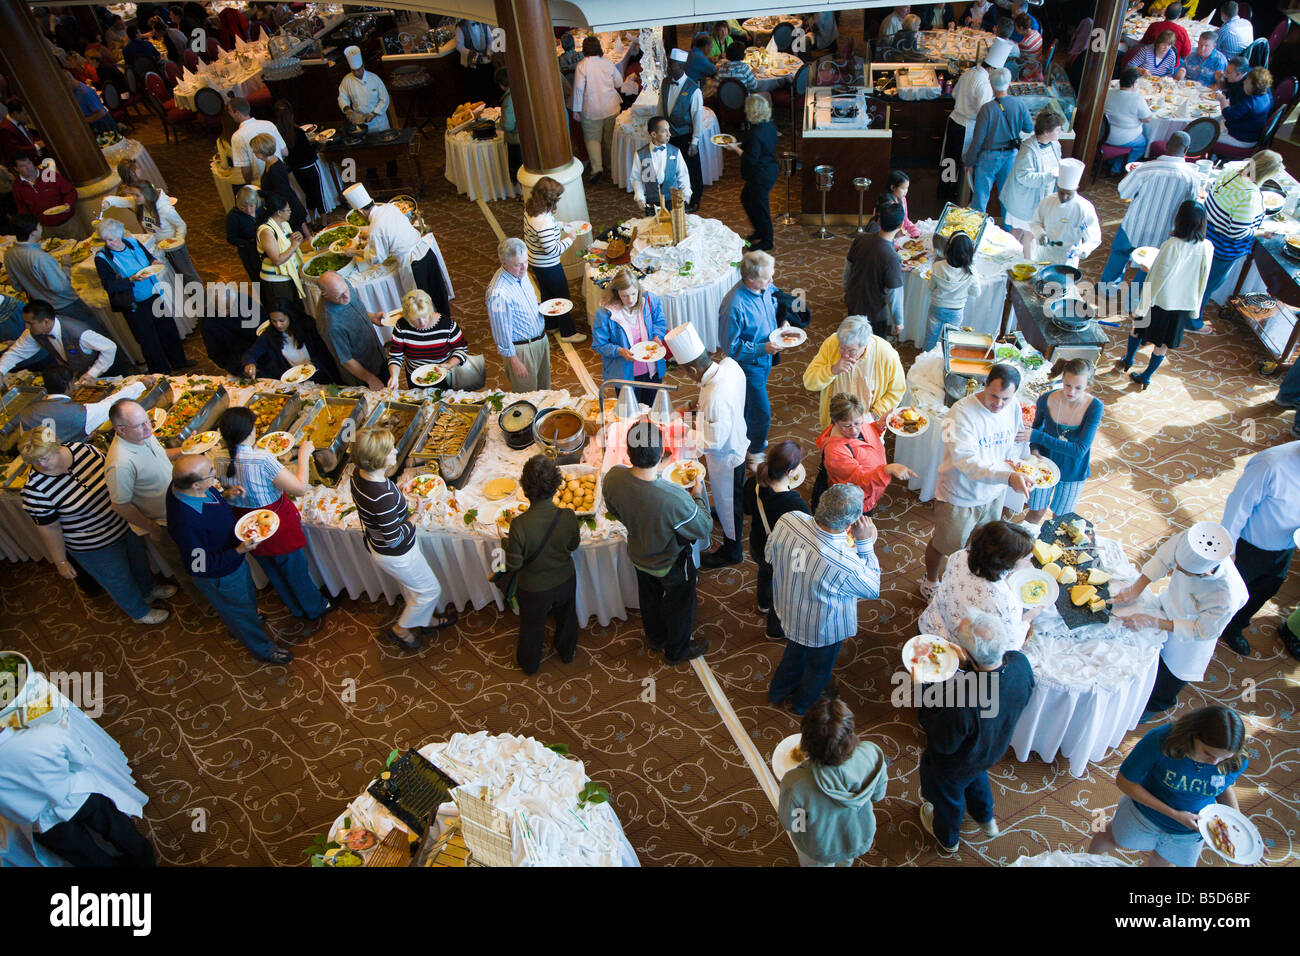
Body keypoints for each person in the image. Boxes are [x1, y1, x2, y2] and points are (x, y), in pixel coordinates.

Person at [20, 431, 171, 625]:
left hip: (123, 524)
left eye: (45, 456)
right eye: (34, 460)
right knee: (117, 579)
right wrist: (61, 562)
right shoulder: (34, 490)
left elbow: (113, 474)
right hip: (92, 544)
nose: (41, 464)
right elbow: (49, 529)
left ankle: (148, 590)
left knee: (139, 561)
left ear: (55, 446)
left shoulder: (84, 451)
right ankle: (139, 612)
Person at [916, 611, 1035, 853]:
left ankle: (948, 839)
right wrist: (970, 664)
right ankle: (985, 818)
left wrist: (921, 686)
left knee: (948, 799)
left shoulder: (962, 701)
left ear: (969, 654)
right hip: (993, 748)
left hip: (954, 763)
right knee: (977, 778)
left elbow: (941, 742)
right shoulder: (1020, 664)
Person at [602, 420, 713, 664]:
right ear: (662, 453)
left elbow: (613, 509)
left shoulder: (613, 477)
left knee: (649, 597)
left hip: (638, 553)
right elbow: (703, 526)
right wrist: (698, 497)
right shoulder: (674, 497)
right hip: (669, 560)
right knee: (681, 602)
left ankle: (655, 639)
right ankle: (678, 650)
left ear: (629, 453)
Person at [1111, 522, 1248, 718]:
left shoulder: (1227, 595)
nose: (1176, 569)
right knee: (1143, 665)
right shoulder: (1192, 539)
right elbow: (1163, 558)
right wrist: (1135, 590)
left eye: (1182, 570)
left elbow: (1202, 631)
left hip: (1189, 643)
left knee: (1162, 685)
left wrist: (1152, 622)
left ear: (1205, 573)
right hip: (1167, 606)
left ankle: (1140, 714)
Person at [212, 406, 333, 627]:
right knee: (295, 570)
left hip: (246, 525)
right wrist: (304, 455)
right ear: (250, 432)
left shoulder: (219, 459)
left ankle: (296, 608)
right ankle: (314, 607)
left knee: (272, 571)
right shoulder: (261, 458)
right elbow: (298, 488)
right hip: (274, 523)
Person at [166, 454, 292, 664]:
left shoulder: (188, 486)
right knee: (238, 611)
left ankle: (245, 623)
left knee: (246, 599)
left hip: (231, 559)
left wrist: (226, 495)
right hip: (220, 574)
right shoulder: (185, 522)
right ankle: (262, 648)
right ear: (196, 484)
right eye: (211, 474)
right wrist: (239, 551)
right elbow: (199, 565)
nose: (215, 476)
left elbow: (210, 502)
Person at [766, 483, 881, 713]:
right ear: (849, 525)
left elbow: (770, 554)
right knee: (819, 669)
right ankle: (802, 704)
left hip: (788, 608)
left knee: (794, 652)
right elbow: (872, 588)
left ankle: (778, 691)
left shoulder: (789, 519)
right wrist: (865, 544)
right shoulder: (843, 563)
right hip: (822, 627)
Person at [921, 364, 1031, 598]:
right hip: (959, 495)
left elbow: (1013, 441)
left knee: (982, 545)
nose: (998, 404)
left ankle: (967, 582)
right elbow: (965, 463)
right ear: (984, 385)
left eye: (1005, 398)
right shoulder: (958, 414)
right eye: (994, 396)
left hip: (994, 492)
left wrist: (1023, 462)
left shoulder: (1013, 408)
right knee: (943, 544)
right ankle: (930, 581)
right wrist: (1008, 476)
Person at [1089, 706, 1248, 867]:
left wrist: (1240, 828)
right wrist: (1174, 814)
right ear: (1193, 734)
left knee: (1164, 859)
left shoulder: (1237, 760)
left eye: (1223, 758)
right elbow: (1124, 781)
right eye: (1208, 753)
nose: (1214, 763)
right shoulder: (1161, 740)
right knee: (1111, 837)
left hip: (1190, 830)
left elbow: (1222, 786)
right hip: (1144, 813)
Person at [350, 427, 454, 651]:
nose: (396, 451)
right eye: (390, 450)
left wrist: (396, 491)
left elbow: (377, 510)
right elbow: (394, 539)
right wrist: (416, 513)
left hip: (377, 546)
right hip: (397, 554)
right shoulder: (383, 496)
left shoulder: (358, 476)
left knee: (414, 589)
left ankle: (427, 622)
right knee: (430, 591)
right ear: (378, 459)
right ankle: (402, 630)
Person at [0, 727, 155, 866]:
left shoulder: (43, 735)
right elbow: (83, 761)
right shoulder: (44, 734)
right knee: (119, 829)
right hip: (78, 796)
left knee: (87, 858)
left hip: (42, 824)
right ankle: (144, 859)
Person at [104, 397, 203, 605]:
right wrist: (152, 528)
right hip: (164, 524)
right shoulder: (120, 463)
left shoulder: (140, 435)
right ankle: (208, 605)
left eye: (148, 420)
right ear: (121, 430)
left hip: (181, 508)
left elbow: (158, 454)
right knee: (186, 568)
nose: (148, 427)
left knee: (200, 557)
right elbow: (120, 505)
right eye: (140, 425)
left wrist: (184, 450)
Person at [668, 323, 748, 568]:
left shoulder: (715, 396)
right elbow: (714, 413)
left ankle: (732, 550)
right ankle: (727, 518)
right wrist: (694, 409)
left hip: (727, 456)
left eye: (685, 371)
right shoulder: (728, 365)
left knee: (728, 501)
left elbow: (712, 441)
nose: (686, 375)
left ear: (692, 368)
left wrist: (682, 429)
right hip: (737, 433)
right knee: (731, 498)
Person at [1110, 200, 1213, 387]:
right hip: (1182, 303)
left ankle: (1129, 359)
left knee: (1138, 328)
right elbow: (1203, 279)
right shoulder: (1207, 246)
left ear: (1180, 220)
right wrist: (1196, 307)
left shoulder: (1172, 244)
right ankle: (1146, 376)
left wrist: (1143, 302)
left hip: (1158, 299)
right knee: (1163, 344)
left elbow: (1158, 275)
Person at [778, 698, 888, 867]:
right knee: (846, 861)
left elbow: (794, 824)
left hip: (819, 847)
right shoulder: (872, 753)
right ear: (849, 733)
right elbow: (878, 794)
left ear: (806, 742)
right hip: (855, 836)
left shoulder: (796, 783)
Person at [1217, 441, 1300, 658]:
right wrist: (1228, 548)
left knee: (1264, 591)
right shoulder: (1271, 464)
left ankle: (1234, 628)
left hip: (1287, 546)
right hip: (1247, 548)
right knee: (1225, 594)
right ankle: (1202, 630)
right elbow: (1238, 506)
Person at [503, 455, 581, 675]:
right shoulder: (568, 516)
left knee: (531, 625)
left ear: (525, 488)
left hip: (533, 588)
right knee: (566, 617)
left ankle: (529, 664)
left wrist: (505, 542)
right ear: (556, 485)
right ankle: (567, 652)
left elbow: (513, 564)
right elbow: (573, 545)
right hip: (564, 580)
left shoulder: (519, 525)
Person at [719, 250, 794, 467]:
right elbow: (730, 347)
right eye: (767, 277)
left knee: (749, 405)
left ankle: (747, 435)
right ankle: (754, 451)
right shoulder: (733, 305)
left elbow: (774, 300)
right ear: (750, 279)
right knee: (761, 410)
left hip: (765, 360)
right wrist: (764, 348)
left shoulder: (765, 286)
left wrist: (782, 323)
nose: (772, 280)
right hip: (748, 365)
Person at [1098, 132, 1199, 292]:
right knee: (1150, 266)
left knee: (1120, 253)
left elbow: (1124, 192)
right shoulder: (1192, 176)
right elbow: (1191, 205)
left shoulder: (1146, 168)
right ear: (1186, 150)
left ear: (1166, 145)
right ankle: (1133, 299)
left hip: (1134, 225)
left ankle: (1107, 289)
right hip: (1164, 231)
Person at [920, 520, 1039, 651]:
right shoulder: (1006, 603)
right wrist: (1027, 619)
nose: (1031, 556)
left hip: (927, 626)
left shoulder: (959, 556)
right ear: (1007, 563)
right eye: (1026, 556)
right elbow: (1011, 646)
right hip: (953, 653)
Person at [342, 183, 454, 321]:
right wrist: (369, 238)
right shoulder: (389, 207)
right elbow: (394, 231)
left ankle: (430, 334)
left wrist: (353, 252)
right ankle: (448, 323)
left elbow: (376, 258)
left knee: (420, 305)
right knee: (438, 293)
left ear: (360, 212)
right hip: (426, 251)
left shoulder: (375, 227)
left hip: (414, 263)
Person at [93, 218, 190, 375]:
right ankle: (161, 372)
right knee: (148, 340)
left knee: (167, 329)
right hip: (134, 304)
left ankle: (179, 362)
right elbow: (109, 286)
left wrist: (154, 261)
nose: (108, 243)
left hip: (153, 294)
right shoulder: (103, 258)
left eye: (111, 239)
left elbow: (149, 258)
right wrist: (131, 279)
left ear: (120, 236)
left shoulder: (133, 243)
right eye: (105, 240)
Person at [1200, 151, 1282, 328]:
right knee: (1208, 285)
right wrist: (1261, 232)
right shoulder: (1250, 196)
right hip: (1222, 247)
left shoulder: (1230, 173)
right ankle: (1192, 320)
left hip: (1206, 232)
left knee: (1200, 280)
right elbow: (1237, 233)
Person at [1022, 358, 1104, 522]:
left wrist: (1038, 437)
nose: (1071, 392)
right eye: (1067, 385)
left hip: (1073, 469)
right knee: (1036, 511)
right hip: (1044, 463)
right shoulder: (1046, 399)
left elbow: (1079, 450)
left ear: (1088, 386)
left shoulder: (1095, 407)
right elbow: (1037, 426)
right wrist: (1035, 447)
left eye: (1078, 387)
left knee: (1060, 517)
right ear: (1063, 379)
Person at [743, 441, 811, 637]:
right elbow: (804, 535)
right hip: (781, 555)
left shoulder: (752, 483)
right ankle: (774, 630)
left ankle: (763, 602)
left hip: (757, 544)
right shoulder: (794, 502)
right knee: (782, 592)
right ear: (790, 472)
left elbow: (747, 509)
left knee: (764, 572)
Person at [940, 37, 1015, 204]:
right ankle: (956, 198)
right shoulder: (985, 84)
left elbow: (954, 94)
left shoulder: (970, 72)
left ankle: (946, 193)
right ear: (994, 69)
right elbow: (984, 113)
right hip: (967, 127)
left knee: (949, 161)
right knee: (964, 164)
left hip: (954, 121)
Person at [814, 390, 917, 509]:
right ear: (834, 422)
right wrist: (886, 470)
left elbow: (866, 434)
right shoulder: (835, 452)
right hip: (858, 500)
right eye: (847, 426)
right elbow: (859, 482)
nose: (854, 430)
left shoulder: (855, 420)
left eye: (858, 423)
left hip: (871, 489)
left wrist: (878, 425)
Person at [802, 315, 906, 430]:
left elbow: (896, 391)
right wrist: (832, 370)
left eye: (852, 351)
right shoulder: (832, 343)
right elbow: (809, 383)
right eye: (842, 348)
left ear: (866, 344)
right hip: (835, 423)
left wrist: (875, 414)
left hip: (868, 424)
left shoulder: (886, 354)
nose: (845, 355)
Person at [2, 215, 101, 329]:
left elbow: (18, 287)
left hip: (45, 308)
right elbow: (60, 286)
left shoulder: (9, 254)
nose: (41, 228)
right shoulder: (39, 257)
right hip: (66, 305)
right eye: (39, 226)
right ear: (33, 232)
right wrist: (66, 266)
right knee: (97, 336)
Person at [0, 299, 130, 384]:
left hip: (107, 371)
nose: (26, 326)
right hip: (81, 375)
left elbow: (110, 347)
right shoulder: (33, 333)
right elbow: (16, 352)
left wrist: (93, 373)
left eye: (30, 323)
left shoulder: (78, 332)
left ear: (46, 321)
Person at [591, 268, 667, 405]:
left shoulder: (649, 301)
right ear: (616, 293)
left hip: (652, 368)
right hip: (625, 374)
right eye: (625, 295)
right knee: (631, 416)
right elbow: (599, 345)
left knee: (653, 410)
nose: (630, 299)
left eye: (633, 294)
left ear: (638, 289)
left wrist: (657, 336)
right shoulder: (604, 314)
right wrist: (618, 351)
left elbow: (659, 322)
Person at [385, 288, 484, 390]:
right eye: (415, 319)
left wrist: (449, 364)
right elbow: (395, 356)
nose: (422, 322)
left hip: (444, 376)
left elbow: (461, 350)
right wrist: (394, 376)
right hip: (415, 377)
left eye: (425, 316)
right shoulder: (401, 326)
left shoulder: (447, 325)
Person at [522, 176, 583, 342]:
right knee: (561, 296)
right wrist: (570, 238)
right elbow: (552, 250)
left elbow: (544, 230)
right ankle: (568, 332)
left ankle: (551, 324)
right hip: (548, 265)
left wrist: (560, 225)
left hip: (535, 261)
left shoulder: (531, 208)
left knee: (547, 294)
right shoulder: (543, 222)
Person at [486, 237, 550, 392]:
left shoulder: (521, 273)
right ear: (504, 263)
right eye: (518, 264)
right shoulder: (498, 293)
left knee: (546, 392)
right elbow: (500, 330)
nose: (524, 268)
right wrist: (514, 360)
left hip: (540, 340)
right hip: (521, 351)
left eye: (526, 262)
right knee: (528, 397)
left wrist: (540, 307)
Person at [16, 365, 142, 442]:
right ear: (69, 384)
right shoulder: (79, 413)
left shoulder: (26, 414)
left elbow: (26, 440)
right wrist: (140, 385)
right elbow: (111, 404)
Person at [720, 96, 780, 251]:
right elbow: (758, 146)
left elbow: (750, 158)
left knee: (761, 208)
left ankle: (767, 240)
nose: (745, 111)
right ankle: (759, 231)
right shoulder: (769, 125)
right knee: (746, 198)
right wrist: (739, 145)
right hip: (769, 169)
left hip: (760, 174)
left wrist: (735, 149)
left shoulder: (755, 133)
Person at [314, 271, 388, 390]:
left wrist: (372, 317)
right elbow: (346, 360)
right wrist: (370, 378)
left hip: (377, 355)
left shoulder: (343, 286)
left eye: (346, 290)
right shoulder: (329, 324)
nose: (347, 296)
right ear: (325, 295)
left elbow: (356, 309)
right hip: (364, 373)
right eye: (340, 296)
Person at [843, 204, 906, 339]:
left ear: (878, 220)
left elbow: (848, 268)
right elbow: (895, 295)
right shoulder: (892, 257)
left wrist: (846, 290)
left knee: (854, 339)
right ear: (901, 225)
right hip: (874, 313)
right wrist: (899, 322)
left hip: (853, 301)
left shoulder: (860, 238)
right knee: (873, 347)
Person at [1000, 110, 1064, 242]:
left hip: (1040, 198)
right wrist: (1050, 176)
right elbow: (1024, 177)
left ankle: (1012, 256)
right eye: (1058, 130)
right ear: (1046, 132)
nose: (1060, 132)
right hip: (1024, 200)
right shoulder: (1028, 150)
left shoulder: (1055, 145)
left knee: (1022, 232)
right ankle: (1018, 258)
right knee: (1025, 233)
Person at [242, 298, 339, 383]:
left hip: (321, 375)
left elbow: (325, 352)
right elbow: (250, 354)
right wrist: (250, 363)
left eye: (281, 320)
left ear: (290, 316)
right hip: (295, 381)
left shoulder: (308, 326)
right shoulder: (269, 335)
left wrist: (313, 365)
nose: (278, 325)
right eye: (274, 321)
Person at [128, 178, 201, 289]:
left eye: (137, 195)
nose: (134, 198)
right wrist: (109, 201)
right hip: (157, 248)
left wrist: (176, 243)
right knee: (173, 277)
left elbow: (181, 225)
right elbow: (123, 201)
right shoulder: (141, 207)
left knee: (187, 275)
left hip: (174, 248)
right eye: (133, 195)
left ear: (146, 195)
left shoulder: (165, 209)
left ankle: (202, 302)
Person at [1027, 158, 1100, 268]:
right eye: (1061, 192)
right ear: (1057, 187)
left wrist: (1081, 251)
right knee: (1038, 282)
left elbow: (1094, 238)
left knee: (1064, 284)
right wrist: (1039, 234)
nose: (1064, 197)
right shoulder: (1047, 201)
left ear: (1076, 189)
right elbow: (1035, 223)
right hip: (1044, 254)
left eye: (1068, 194)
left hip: (1068, 258)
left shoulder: (1084, 208)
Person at [572, 35, 625, 186]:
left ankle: (597, 168)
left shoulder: (582, 66)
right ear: (599, 48)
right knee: (610, 139)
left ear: (584, 50)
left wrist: (576, 110)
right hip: (611, 107)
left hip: (592, 109)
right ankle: (612, 167)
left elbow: (578, 90)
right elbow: (619, 82)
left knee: (592, 139)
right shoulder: (608, 63)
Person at [660, 48, 706, 213]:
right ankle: (676, 198)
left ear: (681, 66)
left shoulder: (694, 89)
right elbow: (661, 107)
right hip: (669, 135)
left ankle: (695, 199)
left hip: (686, 135)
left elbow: (697, 118)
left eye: (672, 65)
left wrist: (694, 141)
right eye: (669, 65)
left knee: (691, 169)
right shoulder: (665, 83)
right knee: (673, 169)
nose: (669, 68)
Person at [251, 134, 312, 244]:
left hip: (286, 207)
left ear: (261, 152)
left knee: (298, 240)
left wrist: (259, 192)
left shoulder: (275, 169)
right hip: (288, 203)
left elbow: (280, 194)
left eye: (254, 151)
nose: (253, 153)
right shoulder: (272, 161)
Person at [273, 100, 324, 227]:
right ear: (291, 115)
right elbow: (309, 152)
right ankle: (324, 223)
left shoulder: (279, 133)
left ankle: (312, 222)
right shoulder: (298, 132)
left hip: (296, 170)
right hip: (310, 166)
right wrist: (320, 144)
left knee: (308, 195)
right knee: (319, 195)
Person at [923, 231, 976, 352]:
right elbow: (975, 292)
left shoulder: (938, 266)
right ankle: (946, 363)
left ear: (949, 248)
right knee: (950, 339)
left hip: (937, 307)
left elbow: (930, 287)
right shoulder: (971, 271)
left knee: (930, 337)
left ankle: (925, 360)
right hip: (956, 311)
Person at [630, 115, 691, 215]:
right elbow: (636, 178)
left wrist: (686, 195)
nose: (669, 134)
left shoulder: (675, 152)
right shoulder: (641, 154)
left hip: (674, 201)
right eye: (665, 131)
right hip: (653, 202)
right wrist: (640, 197)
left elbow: (683, 175)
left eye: (669, 130)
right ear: (654, 134)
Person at [255, 191, 305, 307]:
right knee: (287, 312)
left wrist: (299, 238)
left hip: (289, 275)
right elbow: (277, 260)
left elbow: (291, 243)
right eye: (287, 210)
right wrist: (294, 246)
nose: (290, 211)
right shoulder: (266, 231)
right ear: (278, 212)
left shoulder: (284, 224)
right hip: (276, 281)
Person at [11, 156, 79, 239]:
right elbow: (22, 207)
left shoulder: (49, 174)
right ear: (16, 169)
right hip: (45, 228)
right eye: (22, 166)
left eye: (29, 163)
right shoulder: (17, 186)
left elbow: (70, 191)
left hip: (67, 221)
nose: (28, 167)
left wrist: (68, 203)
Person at [1103, 69, 1154, 173]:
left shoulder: (1108, 93)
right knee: (1143, 144)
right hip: (1125, 138)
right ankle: (1117, 168)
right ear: (1134, 84)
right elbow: (1147, 119)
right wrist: (1146, 106)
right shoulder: (1137, 98)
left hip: (1104, 134)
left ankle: (1112, 160)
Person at [228, 96, 286, 186]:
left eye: (230, 111)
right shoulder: (268, 124)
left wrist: (249, 184)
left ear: (237, 113)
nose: (229, 114)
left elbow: (246, 169)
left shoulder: (237, 136)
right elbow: (285, 152)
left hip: (260, 183)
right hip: (282, 176)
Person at [1215, 67, 1273, 149]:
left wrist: (1222, 99)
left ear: (1253, 85)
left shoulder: (1250, 102)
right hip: (1252, 135)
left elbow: (1227, 115)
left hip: (1242, 139)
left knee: (1208, 136)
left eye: (1247, 80)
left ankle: (1211, 157)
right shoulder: (1265, 97)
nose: (1244, 81)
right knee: (1216, 125)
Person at [338, 45, 391, 132]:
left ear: (363, 66)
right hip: (360, 122)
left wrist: (373, 113)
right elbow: (342, 97)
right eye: (353, 70)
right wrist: (348, 110)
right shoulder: (347, 80)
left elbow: (385, 99)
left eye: (358, 70)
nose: (356, 73)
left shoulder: (374, 78)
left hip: (379, 121)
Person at [225, 185, 263, 284]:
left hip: (266, 245)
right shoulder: (233, 217)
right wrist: (248, 243)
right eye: (243, 207)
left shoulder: (261, 207)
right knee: (257, 278)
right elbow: (231, 238)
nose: (248, 210)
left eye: (251, 206)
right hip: (250, 252)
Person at [61, 67, 116, 136]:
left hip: (102, 125)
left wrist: (81, 121)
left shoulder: (85, 92)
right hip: (94, 125)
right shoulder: (74, 90)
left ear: (69, 80)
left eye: (64, 85)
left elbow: (101, 113)